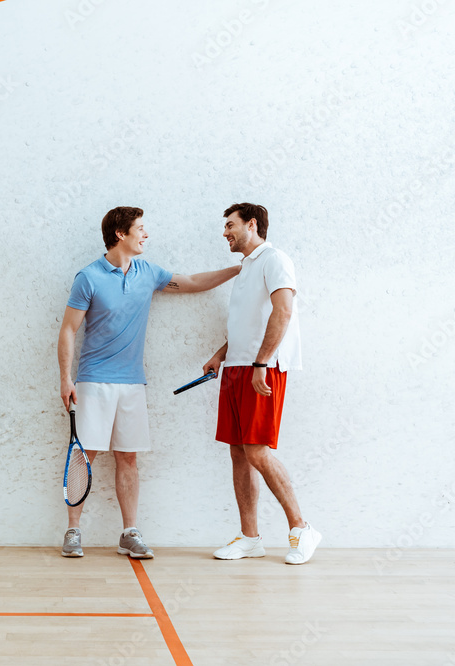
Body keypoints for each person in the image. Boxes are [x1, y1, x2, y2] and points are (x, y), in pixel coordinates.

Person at [58, 206, 240, 558]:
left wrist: (238, 269)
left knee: (128, 459)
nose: (145, 235)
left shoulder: (148, 272)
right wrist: (65, 379)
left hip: (133, 384)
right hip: (94, 382)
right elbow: (68, 329)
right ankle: (73, 531)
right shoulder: (89, 277)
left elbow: (191, 282)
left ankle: (129, 532)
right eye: (140, 229)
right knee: (84, 456)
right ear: (119, 235)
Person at [203, 203, 322, 565]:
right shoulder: (247, 268)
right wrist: (222, 353)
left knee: (257, 450)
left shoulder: (275, 260)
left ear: (252, 225)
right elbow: (248, 321)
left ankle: (302, 528)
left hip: (262, 368)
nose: (225, 232)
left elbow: (282, 312)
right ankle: (250, 537)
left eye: (230, 225)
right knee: (238, 452)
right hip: (238, 368)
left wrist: (260, 362)